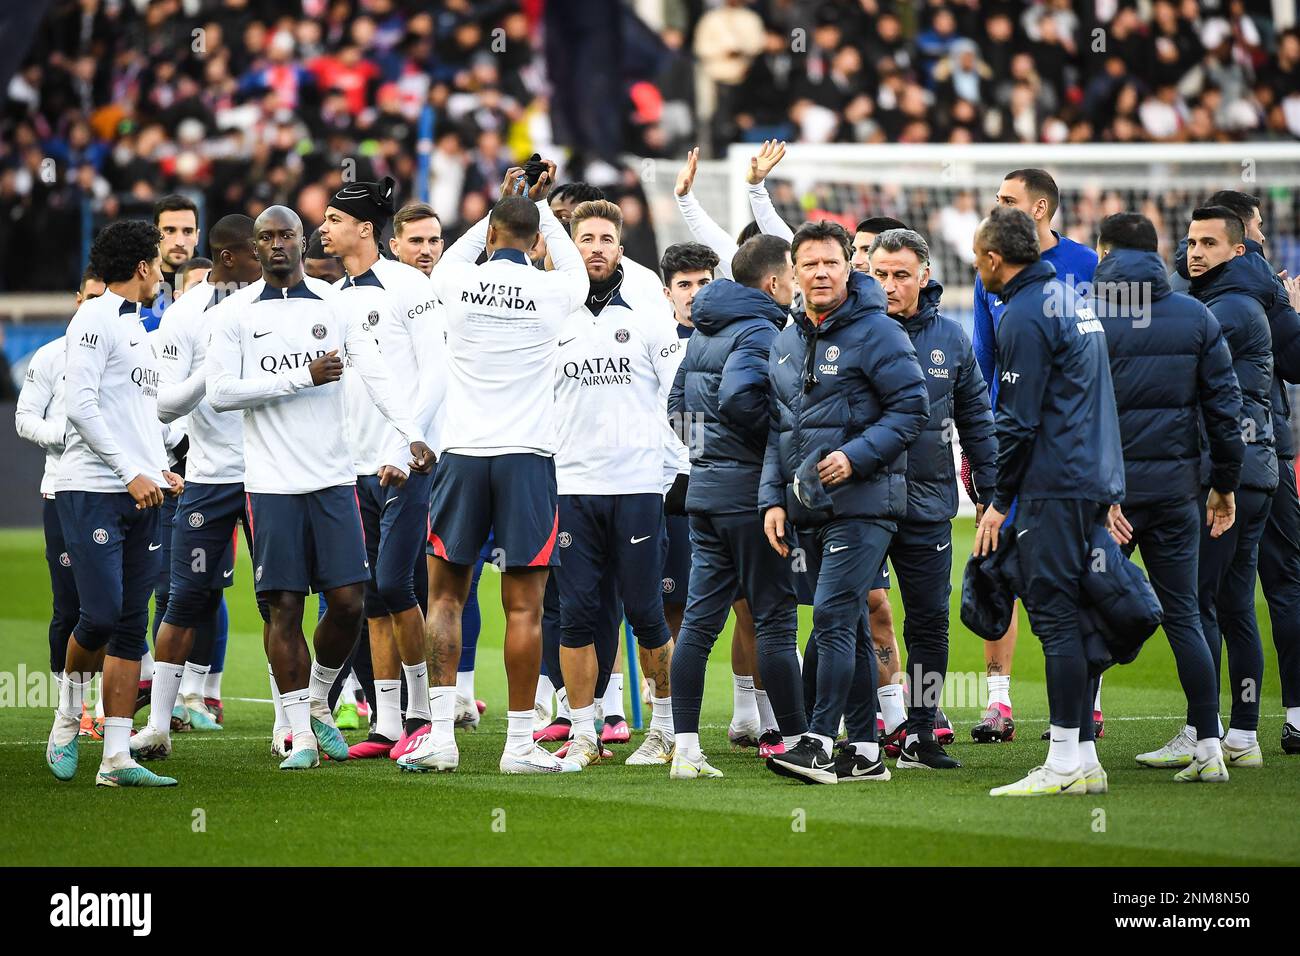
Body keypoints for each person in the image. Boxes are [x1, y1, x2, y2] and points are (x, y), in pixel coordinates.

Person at [204, 204, 432, 771]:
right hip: (271, 484)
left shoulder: (337, 305)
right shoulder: (234, 314)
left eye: (287, 235)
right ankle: (301, 733)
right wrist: (298, 378)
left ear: (304, 242)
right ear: (254, 248)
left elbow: (375, 371)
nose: (277, 244)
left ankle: (319, 701)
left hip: (333, 478)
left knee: (351, 603)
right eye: (266, 237)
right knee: (282, 609)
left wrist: (411, 434)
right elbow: (221, 393)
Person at [405, 160, 588, 775]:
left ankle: (439, 738)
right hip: (526, 460)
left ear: (489, 236)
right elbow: (574, 269)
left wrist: (501, 201)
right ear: (537, 240)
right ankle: (517, 747)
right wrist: (539, 216)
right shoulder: (556, 290)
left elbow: (456, 252)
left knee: (445, 600)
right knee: (524, 609)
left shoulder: (455, 281)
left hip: (462, 455)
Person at [761, 220, 929, 785]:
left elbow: (912, 408)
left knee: (832, 614)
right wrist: (774, 500)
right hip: (809, 508)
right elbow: (777, 432)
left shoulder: (879, 331)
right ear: (794, 272)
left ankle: (814, 741)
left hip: (867, 503)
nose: (821, 272)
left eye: (831, 262)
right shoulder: (785, 341)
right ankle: (864, 751)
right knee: (850, 625)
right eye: (809, 264)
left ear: (847, 266)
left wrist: (856, 457)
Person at [972, 206, 1124, 797]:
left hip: (1053, 485)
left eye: (977, 258)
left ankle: (1062, 762)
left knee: (1058, 619)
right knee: (1080, 618)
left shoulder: (1024, 314)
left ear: (993, 259)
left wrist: (997, 499)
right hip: (1088, 477)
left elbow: (1016, 421)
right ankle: (1083, 756)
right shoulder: (1070, 300)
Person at [1094, 212, 1240, 783]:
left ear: (1105, 254)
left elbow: (1073, 416)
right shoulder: (1196, 315)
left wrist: (1099, 494)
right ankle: (1209, 746)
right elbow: (1225, 414)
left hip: (1110, 501)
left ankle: (1075, 747)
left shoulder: (1087, 317)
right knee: (1184, 613)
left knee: (1087, 611)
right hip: (1179, 495)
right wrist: (1222, 484)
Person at [547, 198, 685, 771]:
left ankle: (666, 729)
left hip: (636, 488)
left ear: (621, 247)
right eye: (586, 239)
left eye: (606, 238)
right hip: (571, 485)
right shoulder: (548, 315)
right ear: (569, 249)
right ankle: (584, 733)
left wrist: (668, 469)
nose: (596, 248)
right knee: (578, 615)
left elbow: (677, 398)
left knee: (647, 612)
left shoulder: (651, 311)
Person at [47, 219, 185, 787]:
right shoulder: (95, 317)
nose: (162, 271)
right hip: (95, 490)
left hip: (142, 492)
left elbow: (138, 416)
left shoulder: (140, 329)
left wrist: (161, 469)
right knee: (99, 615)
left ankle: (117, 758)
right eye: (157, 260)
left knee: (131, 626)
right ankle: (65, 718)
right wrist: (131, 472)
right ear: (142, 267)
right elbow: (78, 405)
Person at [668, 234, 805, 778]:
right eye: (792, 275)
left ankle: (686, 750)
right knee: (774, 620)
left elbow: (677, 405)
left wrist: (706, 455)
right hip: (751, 499)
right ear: (773, 282)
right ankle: (797, 741)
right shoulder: (761, 329)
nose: (795, 285)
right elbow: (739, 398)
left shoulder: (703, 329)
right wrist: (776, 444)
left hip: (704, 493)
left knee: (699, 624)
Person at [320, 179, 447, 762]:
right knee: (371, 593)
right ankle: (389, 721)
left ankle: (423, 713)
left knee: (396, 583)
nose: (323, 229)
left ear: (363, 228)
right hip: (351, 466)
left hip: (405, 463)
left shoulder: (410, 288)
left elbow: (435, 373)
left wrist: (404, 447)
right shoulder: (328, 297)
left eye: (332, 219)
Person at [129, 214, 262, 761]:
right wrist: (215, 371)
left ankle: (295, 724)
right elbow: (162, 404)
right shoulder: (183, 317)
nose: (270, 256)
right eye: (260, 249)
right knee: (186, 597)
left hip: (269, 475)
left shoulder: (278, 302)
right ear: (230, 257)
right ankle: (159, 724)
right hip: (207, 477)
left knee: (279, 600)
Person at [866, 228, 995, 769]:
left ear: (924, 276)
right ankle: (854, 733)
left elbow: (978, 423)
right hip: (859, 505)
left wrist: (990, 494)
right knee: (842, 616)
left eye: (901, 275)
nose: (890, 285)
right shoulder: (845, 334)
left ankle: (919, 732)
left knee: (927, 622)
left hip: (927, 504)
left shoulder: (952, 339)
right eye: (880, 274)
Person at [1197, 190, 1300, 756]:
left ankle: (1212, 729)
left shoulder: (1238, 295)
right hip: (1268, 454)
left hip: (1245, 460)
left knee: (1212, 594)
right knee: (1259, 589)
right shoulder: (1254, 289)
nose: (1261, 235)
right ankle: (1261, 724)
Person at [1185, 205, 1279, 768]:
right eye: (1191, 242)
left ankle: (1207, 732)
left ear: (1237, 252)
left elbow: (1186, 373)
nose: (1194, 252)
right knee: (1235, 602)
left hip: (1230, 475)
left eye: (1209, 244)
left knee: (1201, 602)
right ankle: (1241, 734)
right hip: (1254, 470)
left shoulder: (1229, 310)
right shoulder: (1238, 301)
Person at [389, 200, 487, 727]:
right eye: (417, 241)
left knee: (453, 574)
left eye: (435, 241)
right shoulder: (375, 297)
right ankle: (395, 701)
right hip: (391, 458)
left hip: (455, 455)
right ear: (393, 244)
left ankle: (460, 694)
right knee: (388, 583)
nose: (427, 251)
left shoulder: (456, 293)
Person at [15, 267, 104, 716]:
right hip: (62, 493)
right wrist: (61, 435)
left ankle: (106, 705)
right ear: (76, 300)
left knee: (114, 606)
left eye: (105, 297)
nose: (97, 305)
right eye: (91, 297)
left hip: (116, 493)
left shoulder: (130, 353)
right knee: (69, 606)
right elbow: (23, 417)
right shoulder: (51, 356)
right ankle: (71, 708)